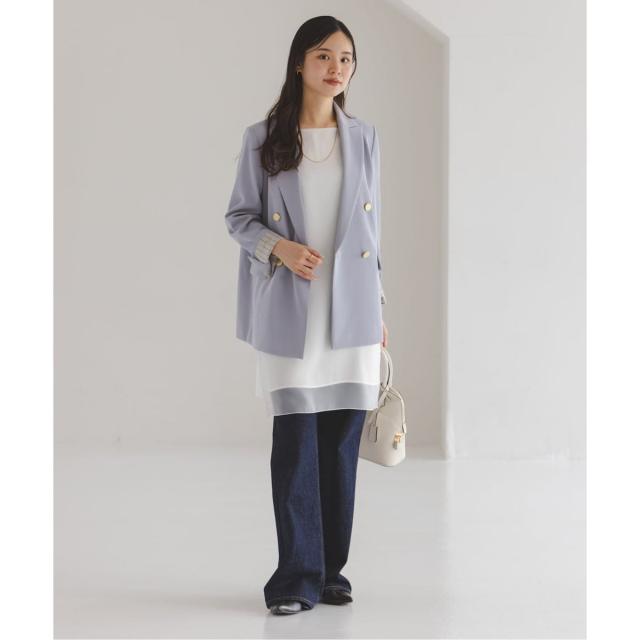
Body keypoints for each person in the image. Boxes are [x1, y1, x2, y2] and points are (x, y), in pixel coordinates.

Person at [224, 15, 388, 615]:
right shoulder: (264, 138)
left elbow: (373, 232)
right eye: (323, 56)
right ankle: (295, 576)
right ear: (300, 63)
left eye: (345, 58)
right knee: (296, 443)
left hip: (351, 312)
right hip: (291, 311)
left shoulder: (364, 138)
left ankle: (330, 572)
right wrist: (281, 249)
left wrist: (380, 307)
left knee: (340, 446)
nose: (336, 68)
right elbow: (239, 218)